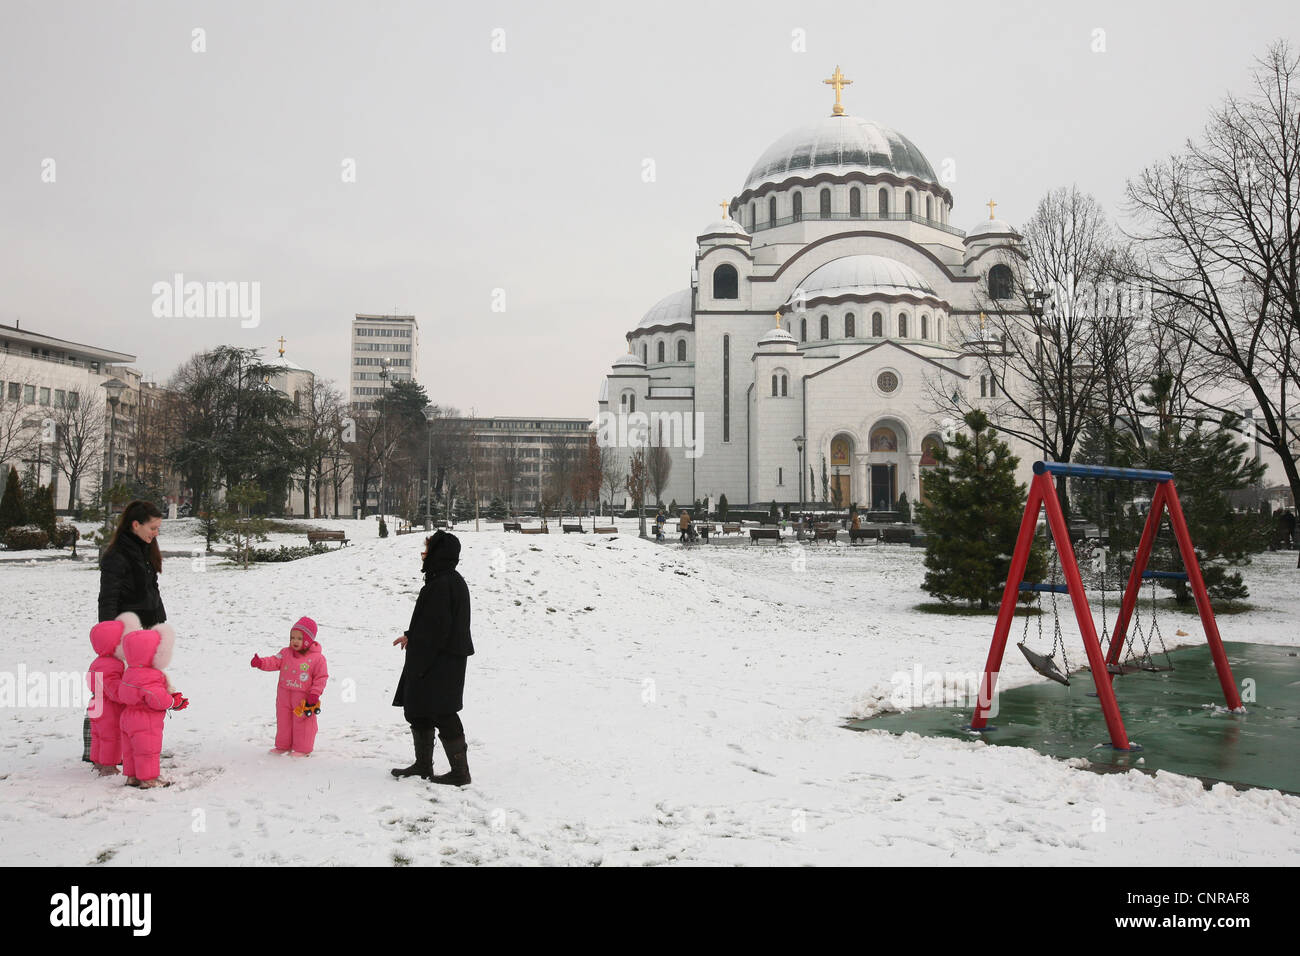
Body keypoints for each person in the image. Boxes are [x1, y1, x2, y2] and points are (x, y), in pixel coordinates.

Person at [392, 531, 475, 785]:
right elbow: (430, 621)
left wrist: (421, 658)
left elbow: (438, 629)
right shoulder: (442, 580)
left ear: (439, 553)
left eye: (427, 549)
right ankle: (423, 765)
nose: (423, 554)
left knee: (443, 712)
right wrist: (411, 635)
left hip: (440, 660)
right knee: (419, 710)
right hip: (435, 657)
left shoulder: (443, 584)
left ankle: (460, 773)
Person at [91, 500, 166, 763]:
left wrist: (159, 621)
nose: (156, 533)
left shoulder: (144, 550)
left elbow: (151, 591)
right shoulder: (117, 556)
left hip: (145, 631)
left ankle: (132, 744)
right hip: (122, 633)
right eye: (153, 527)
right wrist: (107, 637)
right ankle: (100, 747)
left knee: (136, 691)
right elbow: (107, 597)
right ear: (136, 525)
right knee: (111, 692)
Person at [118, 623, 186, 788]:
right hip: (145, 719)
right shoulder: (150, 675)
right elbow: (156, 698)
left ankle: (132, 777)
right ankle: (148, 779)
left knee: (130, 750)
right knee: (147, 751)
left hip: (128, 716)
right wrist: (173, 701)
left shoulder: (130, 672)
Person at [251, 617, 328, 756]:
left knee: (303, 723)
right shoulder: (286, 653)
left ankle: (302, 749)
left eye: (299, 638)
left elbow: (321, 677)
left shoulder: (317, 659)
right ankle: (283, 745)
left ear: (308, 639)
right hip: (284, 695)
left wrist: (315, 694)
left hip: (303, 698)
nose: (295, 641)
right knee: (283, 721)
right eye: (292, 637)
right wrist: (261, 663)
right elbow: (274, 661)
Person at [87, 619, 128, 775]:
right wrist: (125, 694)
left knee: (98, 735)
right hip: (109, 707)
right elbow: (113, 689)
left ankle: (98, 761)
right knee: (111, 736)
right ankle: (109, 766)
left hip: (96, 702)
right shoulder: (114, 664)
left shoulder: (97, 662)